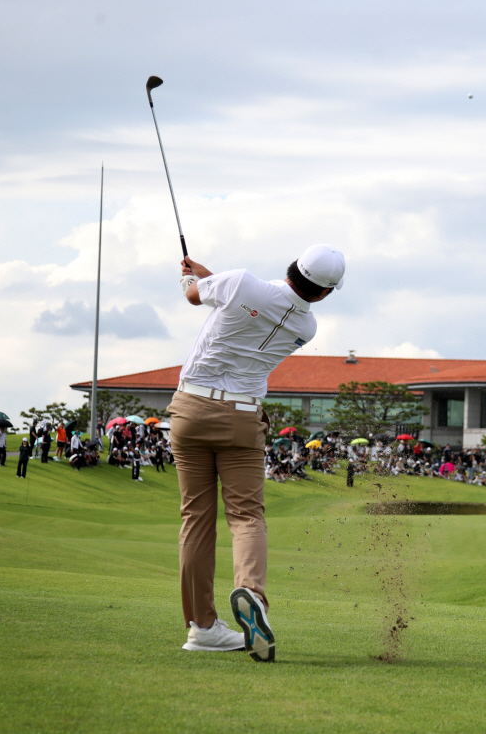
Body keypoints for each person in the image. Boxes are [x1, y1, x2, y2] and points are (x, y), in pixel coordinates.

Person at [168, 244, 344, 663]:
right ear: (324, 293)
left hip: (190, 408)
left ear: (291, 266)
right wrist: (208, 278)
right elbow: (248, 301)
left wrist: (192, 277)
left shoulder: (240, 281)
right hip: (244, 418)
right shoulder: (308, 326)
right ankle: (253, 597)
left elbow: (195, 294)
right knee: (246, 516)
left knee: (196, 517)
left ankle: (202, 628)